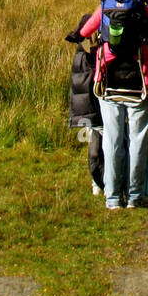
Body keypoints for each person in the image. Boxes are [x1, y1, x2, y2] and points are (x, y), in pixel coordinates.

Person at [75, 0, 148, 209]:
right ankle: (134, 196)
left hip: (108, 84)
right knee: (138, 140)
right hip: (139, 85)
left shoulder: (105, 7)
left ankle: (112, 198)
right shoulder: (143, 10)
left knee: (112, 141)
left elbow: (83, 32)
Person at [65, 15, 104, 195]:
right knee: (100, 147)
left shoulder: (80, 55)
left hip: (85, 111)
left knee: (94, 146)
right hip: (94, 109)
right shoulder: (92, 55)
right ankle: (102, 183)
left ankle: (98, 184)